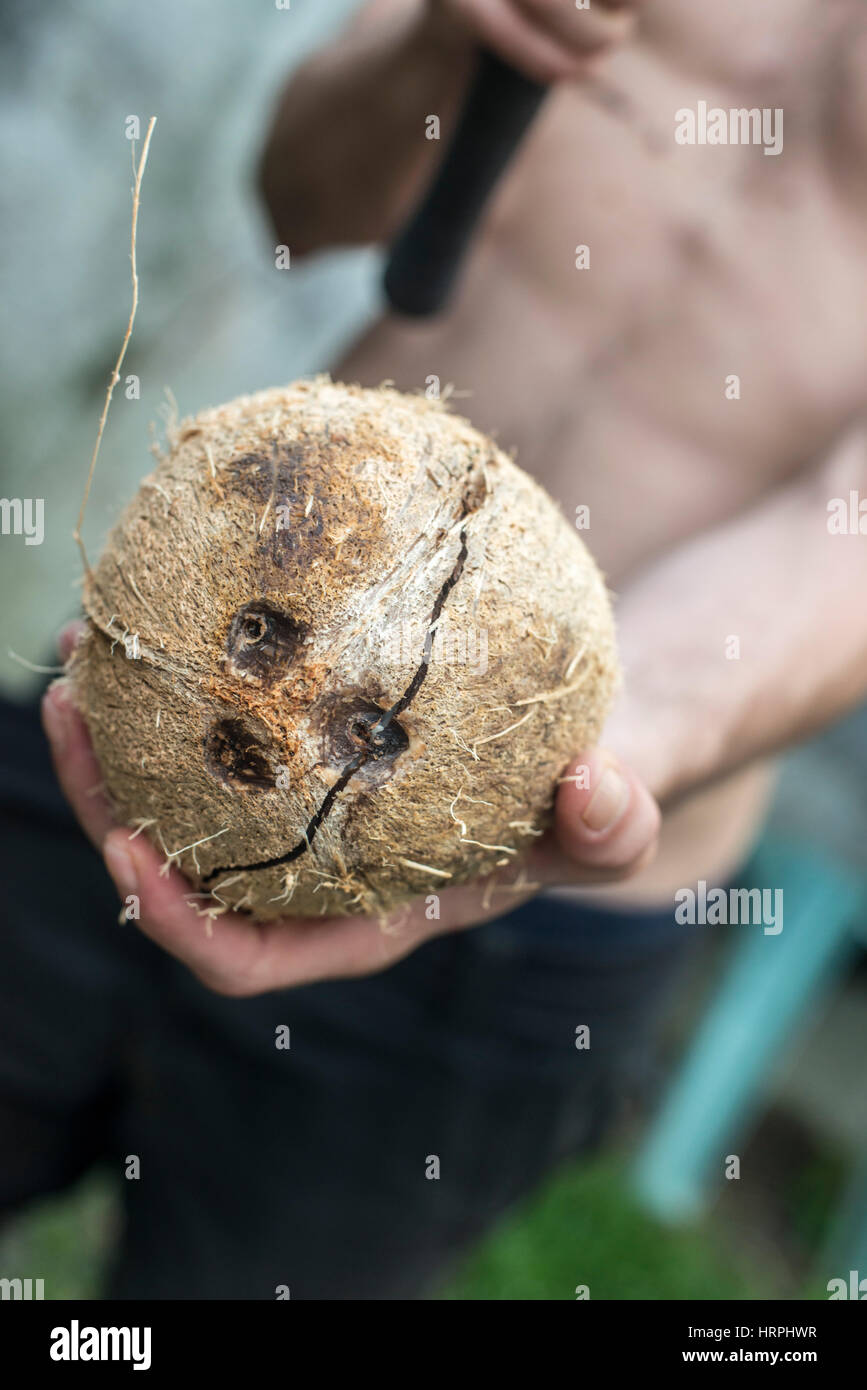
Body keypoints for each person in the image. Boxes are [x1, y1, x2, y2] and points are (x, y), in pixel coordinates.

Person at [6, 0, 867, 1297]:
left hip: (520, 907)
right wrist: (437, 48)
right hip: (189, 694)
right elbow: (296, 198)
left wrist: (601, 765)